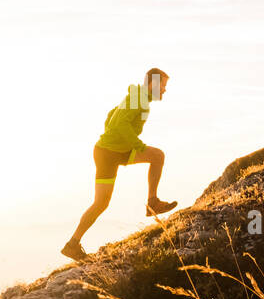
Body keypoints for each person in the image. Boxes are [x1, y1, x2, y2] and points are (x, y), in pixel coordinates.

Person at [61, 68, 177, 262]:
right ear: (153, 84)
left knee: (101, 203)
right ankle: (153, 203)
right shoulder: (139, 98)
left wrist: (115, 141)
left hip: (112, 151)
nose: (165, 90)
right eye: (163, 85)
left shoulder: (139, 97)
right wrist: (136, 144)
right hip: (110, 153)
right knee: (157, 156)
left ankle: (72, 244)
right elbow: (118, 123)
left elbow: (111, 115)